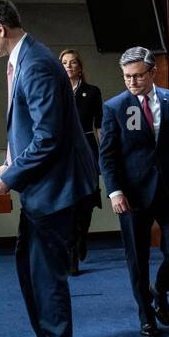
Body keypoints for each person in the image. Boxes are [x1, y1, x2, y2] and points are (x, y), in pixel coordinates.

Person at [0, 0, 98, 337]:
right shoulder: (23, 60)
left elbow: (48, 137)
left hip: (56, 189)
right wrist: (7, 164)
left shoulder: (38, 64)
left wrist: (10, 178)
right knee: (28, 270)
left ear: (0, 29)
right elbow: (28, 130)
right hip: (41, 187)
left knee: (47, 277)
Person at [98, 45, 169, 337]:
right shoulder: (115, 107)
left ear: (153, 72)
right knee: (137, 257)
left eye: (138, 76)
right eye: (126, 77)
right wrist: (115, 191)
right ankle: (146, 316)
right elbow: (107, 155)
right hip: (131, 196)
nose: (132, 82)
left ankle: (161, 288)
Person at [60, 48, 104, 275]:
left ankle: (82, 237)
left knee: (86, 202)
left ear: (80, 67)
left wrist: (104, 155)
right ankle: (71, 253)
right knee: (69, 203)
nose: (69, 66)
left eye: (73, 62)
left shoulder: (92, 92)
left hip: (87, 149)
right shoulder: (55, 91)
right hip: (63, 152)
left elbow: (100, 126)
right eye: (65, 62)